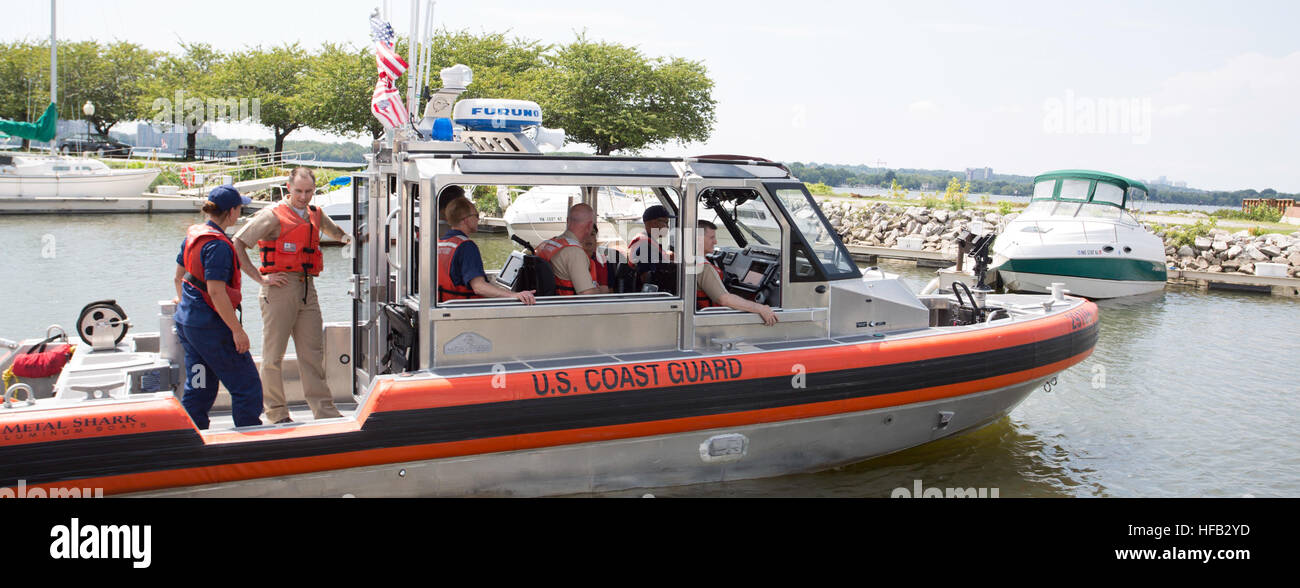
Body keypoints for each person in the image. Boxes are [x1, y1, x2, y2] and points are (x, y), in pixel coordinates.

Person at [231, 167, 350, 424]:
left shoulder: (315, 214)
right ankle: (277, 413)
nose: (304, 197)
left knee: (312, 354)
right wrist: (260, 278)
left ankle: (325, 412)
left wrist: (353, 238)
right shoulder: (272, 215)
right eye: (298, 191)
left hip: (308, 288)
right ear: (288, 188)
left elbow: (337, 234)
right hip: (279, 288)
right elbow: (238, 243)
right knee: (273, 355)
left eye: (309, 191)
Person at [171, 186, 262, 429]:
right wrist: (237, 331)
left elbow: (178, 278)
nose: (240, 212)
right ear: (232, 212)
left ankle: (192, 436)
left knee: (199, 385)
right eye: (240, 208)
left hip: (187, 323)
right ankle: (249, 439)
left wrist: (184, 302)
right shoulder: (219, 246)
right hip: (211, 328)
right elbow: (215, 291)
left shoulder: (193, 236)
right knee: (247, 386)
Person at [438, 197, 537, 304]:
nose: (478, 219)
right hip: (464, 309)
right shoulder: (466, 246)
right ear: (466, 220)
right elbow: (479, 287)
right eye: (476, 215)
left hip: (445, 305)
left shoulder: (441, 242)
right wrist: (514, 295)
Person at [695, 220, 779, 326]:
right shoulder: (703, 267)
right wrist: (761, 308)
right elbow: (724, 299)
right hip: (713, 322)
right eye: (711, 238)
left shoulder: (685, 259)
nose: (715, 242)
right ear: (698, 240)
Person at [536, 203, 609, 296]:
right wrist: (601, 291)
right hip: (568, 308)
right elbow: (587, 295)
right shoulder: (575, 252)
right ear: (590, 225)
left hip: (548, 304)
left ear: (567, 221)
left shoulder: (548, 244)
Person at [628, 205, 675, 285]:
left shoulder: (644, 240)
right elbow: (648, 279)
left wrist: (666, 255)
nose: (668, 226)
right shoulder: (646, 247)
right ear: (654, 223)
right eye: (666, 222)